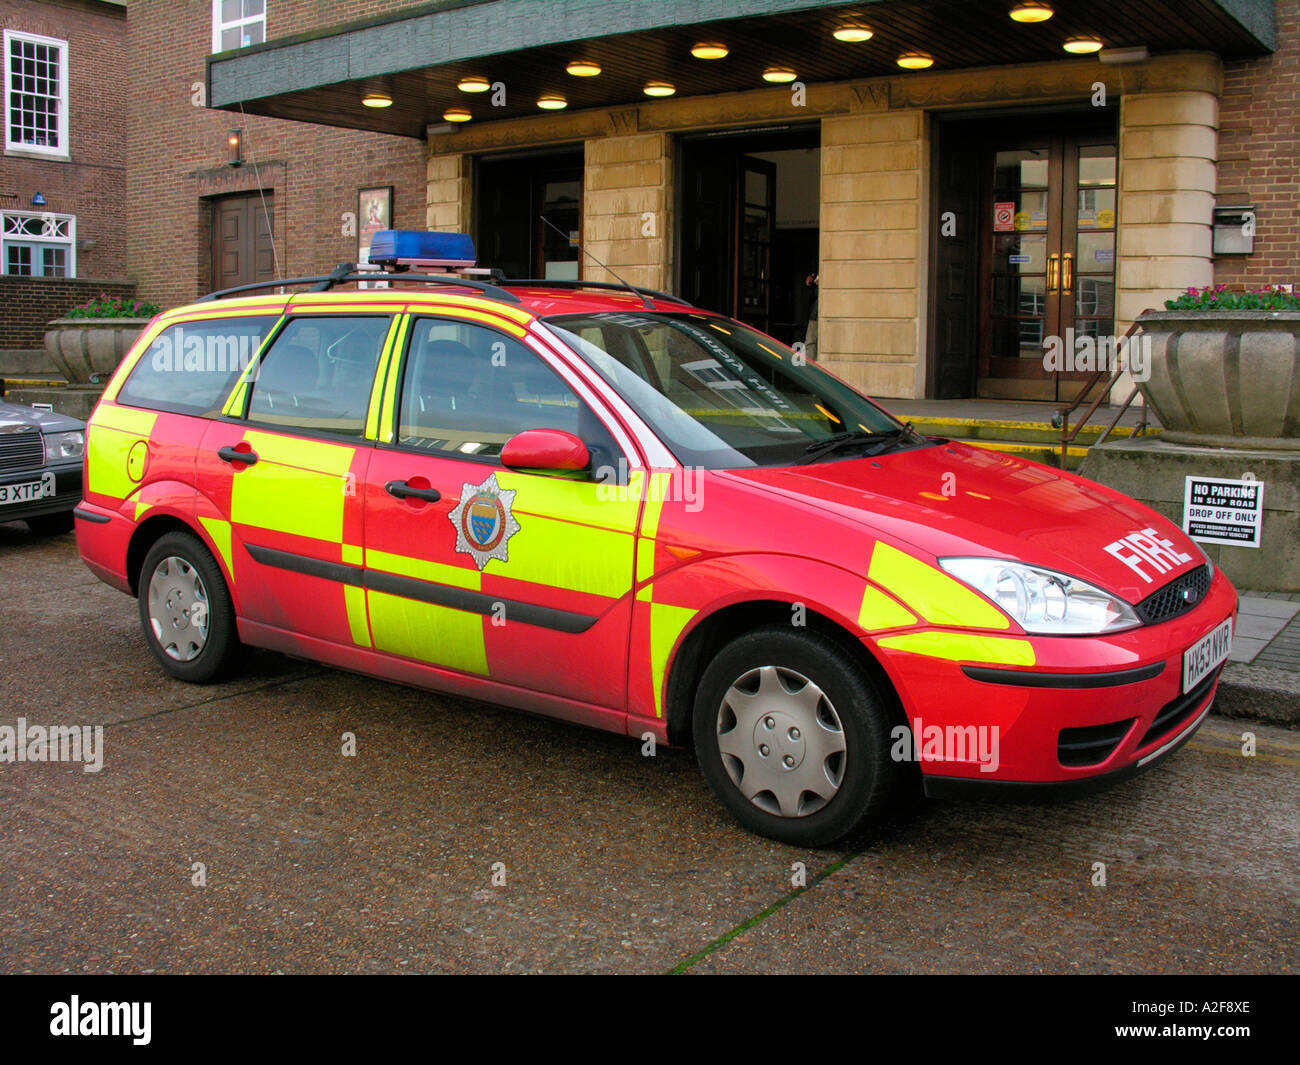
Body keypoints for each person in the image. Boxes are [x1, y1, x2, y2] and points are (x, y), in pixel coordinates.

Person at [803, 271, 819, 362]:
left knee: (811, 342)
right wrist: (809, 285)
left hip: (817, 314)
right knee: (810, 342)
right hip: (814, 314)